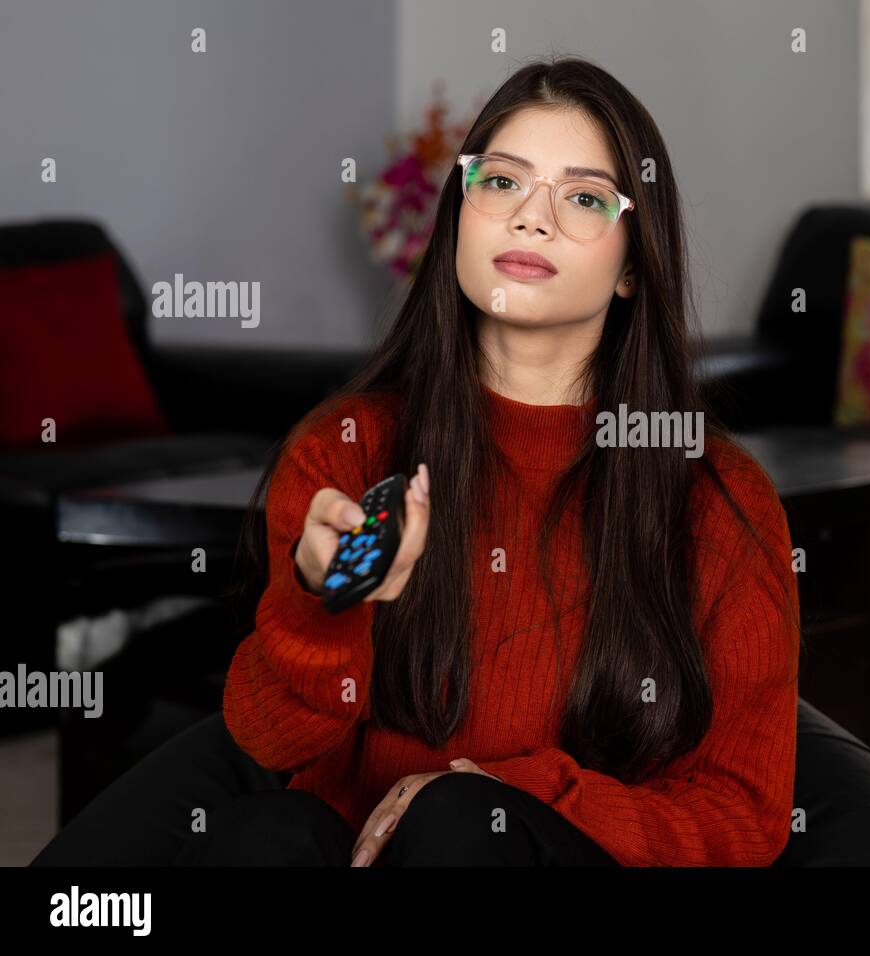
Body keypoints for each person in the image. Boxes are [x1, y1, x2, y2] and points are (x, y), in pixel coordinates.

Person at [31, 54, 801, 868]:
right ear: (457, 215)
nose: (530, 219)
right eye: (501, 182)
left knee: (464, 824)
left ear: (634, 268)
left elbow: (744, 816)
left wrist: (524, 791)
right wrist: (320, 610)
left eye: (582, 198)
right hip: (350, 851)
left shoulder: (719, 497)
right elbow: (264, 737)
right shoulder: (347, 449)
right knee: (266, 838)